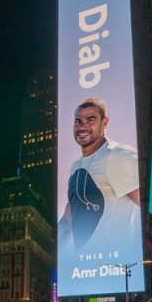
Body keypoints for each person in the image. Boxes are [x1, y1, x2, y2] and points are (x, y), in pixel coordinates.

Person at [58, 98, 140, 255]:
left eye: (91, 120)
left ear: (105, 122)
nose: (83, 126)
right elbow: (69, 219)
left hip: (117, 267)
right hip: (83, 269)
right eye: (78, 121)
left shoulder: (118, 155)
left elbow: (149, 206)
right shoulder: (76, 165)